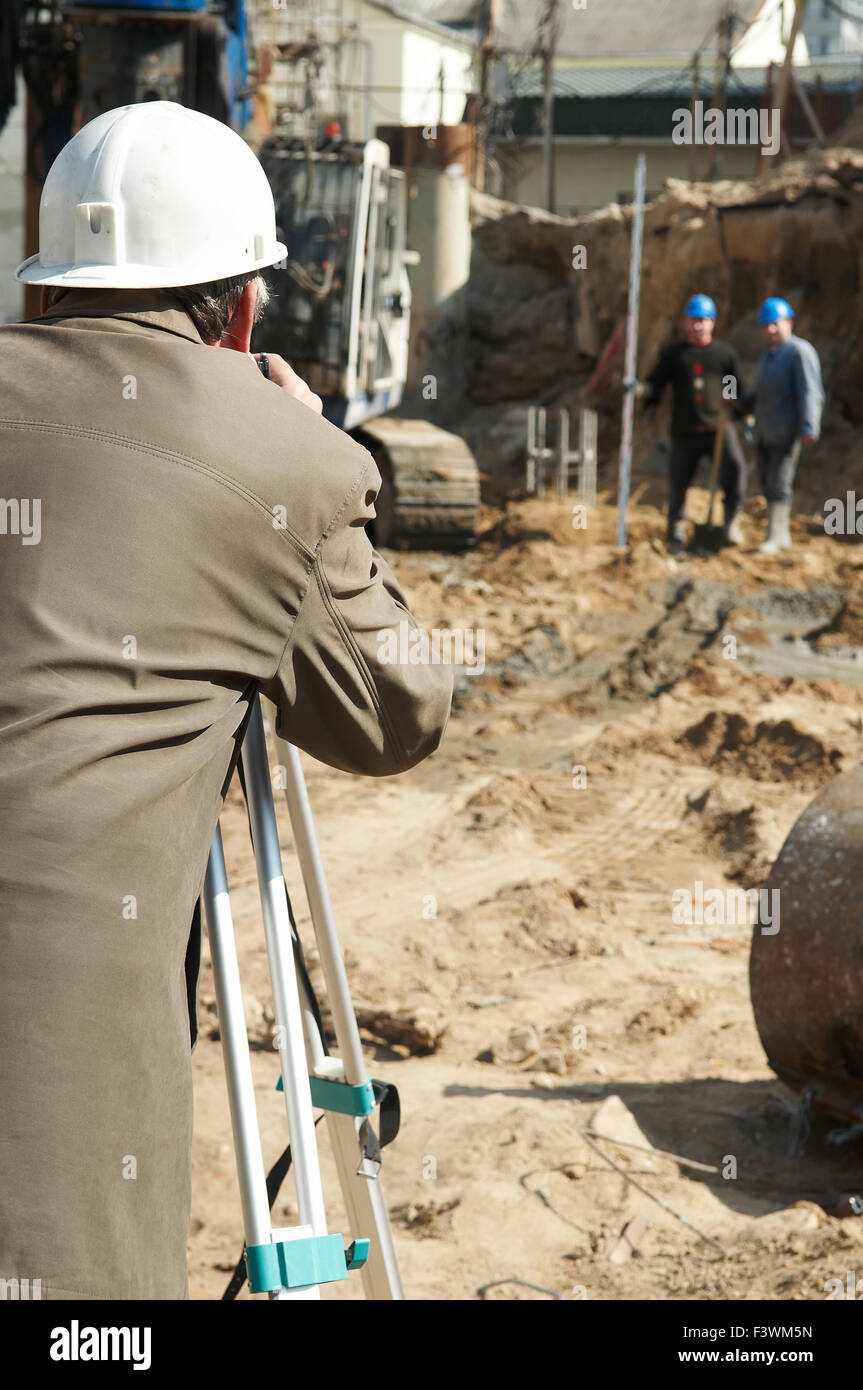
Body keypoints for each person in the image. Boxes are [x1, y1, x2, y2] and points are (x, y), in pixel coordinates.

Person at [0, 101, 452, 1301]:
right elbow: (399, 709)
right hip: (46, 1121)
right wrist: (299, 450)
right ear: (243, 307)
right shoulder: (278, 457)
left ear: (44, 290)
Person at [642, 293, 747, 555]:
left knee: (735, 470)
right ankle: (676, 534)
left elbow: (735, 386)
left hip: (718, 429)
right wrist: (646, 399)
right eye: (692, 320)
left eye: (702, 320)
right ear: (685, 322)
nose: (697, 325)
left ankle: (730, 521)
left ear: (712, 322)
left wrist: (732, 401)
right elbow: (655, 383)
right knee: (678, 484)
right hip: (684, 433)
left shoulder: (723, 354)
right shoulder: (675, 355)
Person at [747, 297, 824, 555]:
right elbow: (760, 395)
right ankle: (778, 534)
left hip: (786, 432)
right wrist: (738, 402)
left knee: (780, 483)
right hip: (766, 432)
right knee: (767, 482)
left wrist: (809, 425)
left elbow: (810, 391)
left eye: (775, 324)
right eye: (765, 325)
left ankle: (777, 536)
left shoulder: (799, 352)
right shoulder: (769, 357)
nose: (770, 330)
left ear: (789, 322)